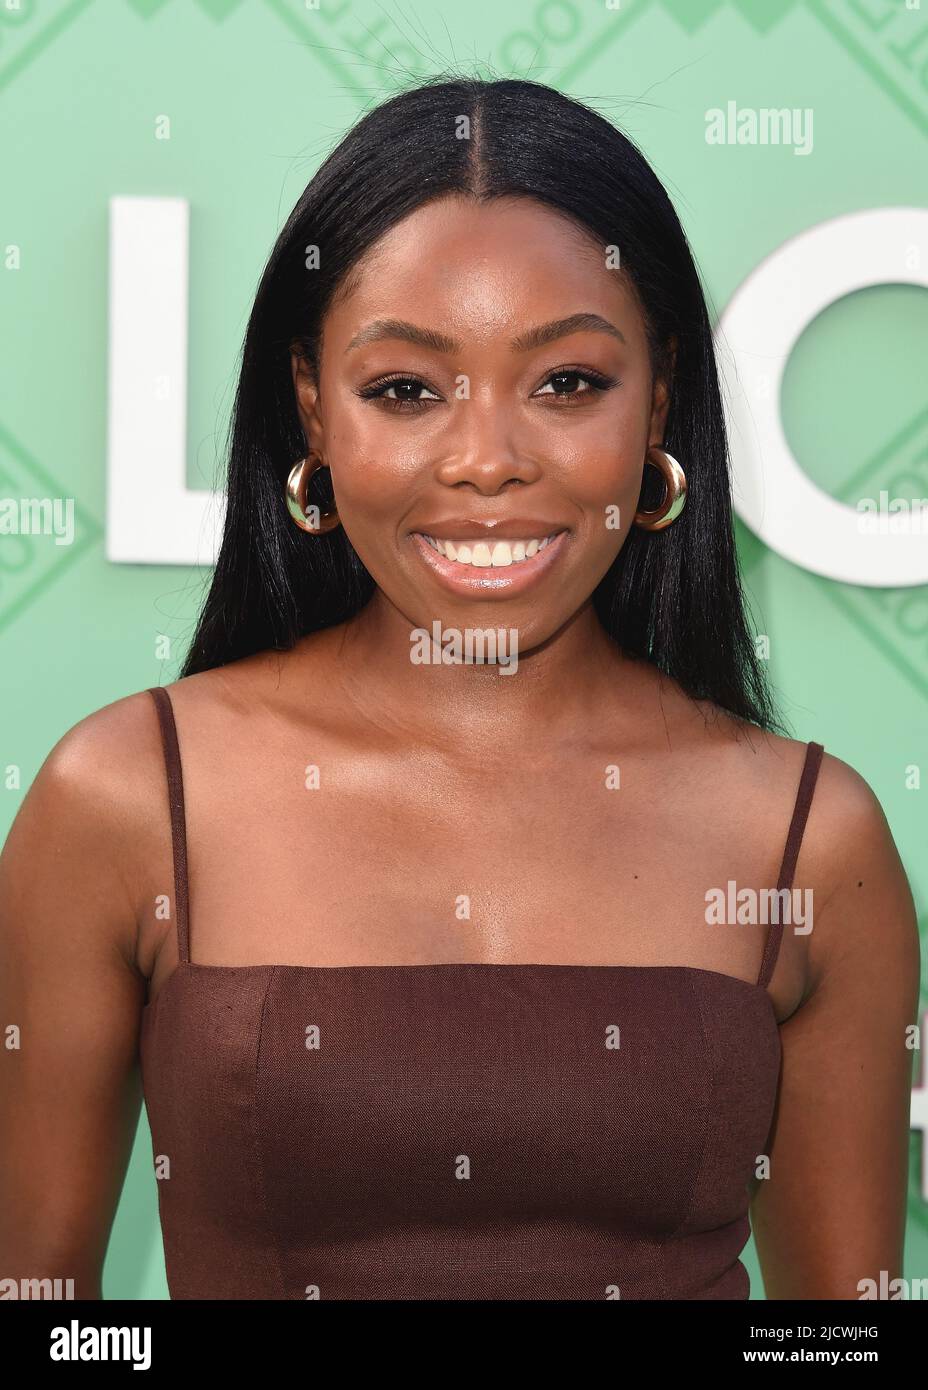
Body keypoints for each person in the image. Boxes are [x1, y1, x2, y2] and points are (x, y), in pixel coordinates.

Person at [0, 76, 919, 1301]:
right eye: (406, 391)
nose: (487, 458)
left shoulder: (809, 840)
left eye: (567, 383)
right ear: (313, 407)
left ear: (658, 399)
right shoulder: (122, 797)